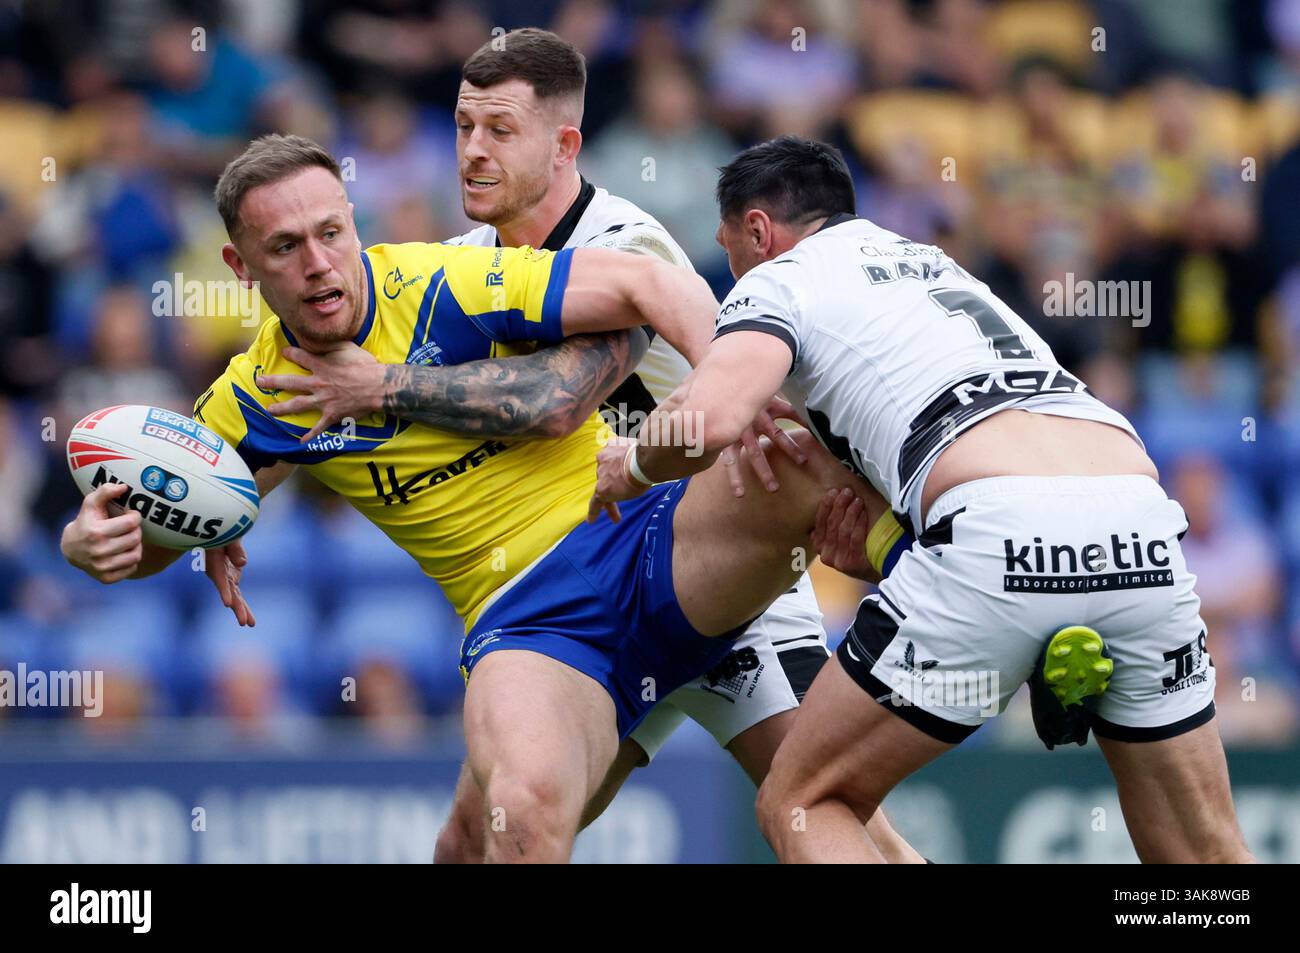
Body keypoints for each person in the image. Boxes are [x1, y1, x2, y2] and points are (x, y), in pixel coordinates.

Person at [59, 132, 899, 863]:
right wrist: (90, 549)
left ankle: (977, 553)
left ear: (356, 223)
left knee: (798, 456)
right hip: (533, 621)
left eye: (330, 232)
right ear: (240, 269)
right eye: (284, 248)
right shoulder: (256, 399)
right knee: (498, 830)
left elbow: (655, 286)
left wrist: (731, 387)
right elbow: (156, 532)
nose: (318, 263)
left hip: (647, 539)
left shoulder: (443, 286)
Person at [257, 28, 921, 863]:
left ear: (564, 144)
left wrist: (382, 387)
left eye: (500, 131)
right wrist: (225, 504)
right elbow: (325, 409)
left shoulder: (620, 249)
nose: (471, 151)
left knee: (837, 830)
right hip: (580, 606)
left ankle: (954, 585)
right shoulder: (455, 268)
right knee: (480, 837)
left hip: (711, 579)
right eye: (463, 127)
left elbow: (548, 404)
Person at [590, 135, 1254, 864]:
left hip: (997, 533)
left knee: (802, 803)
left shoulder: (778, 281)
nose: (730, 275)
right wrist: (885, 548)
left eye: (730, 250)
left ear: (758, 231)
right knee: (1206, 860)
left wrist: (633, 463)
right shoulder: (938, 265)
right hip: (1136, 515)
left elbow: (709, 420)